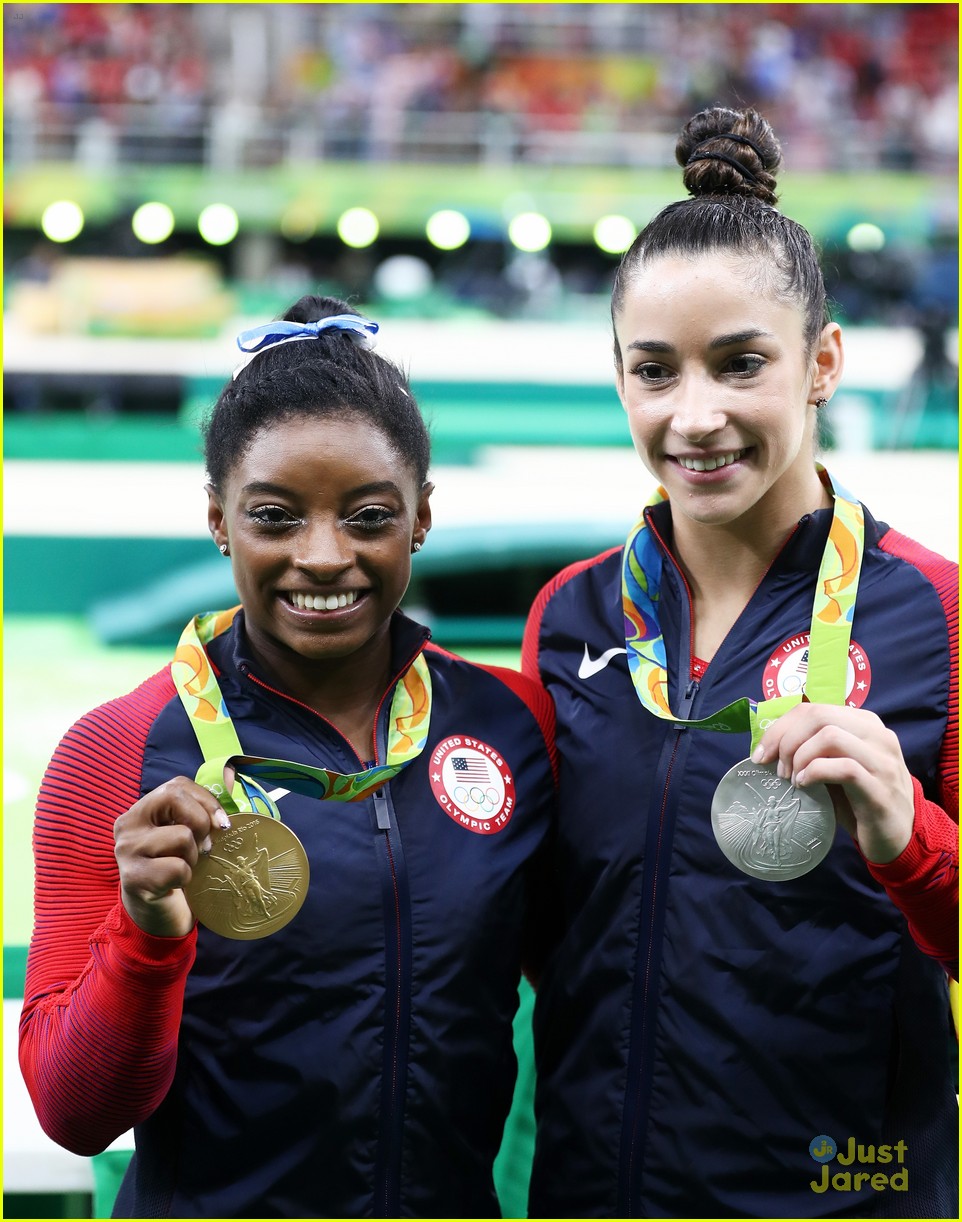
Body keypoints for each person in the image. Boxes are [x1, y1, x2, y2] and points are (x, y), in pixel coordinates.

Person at [19, 295, 556, 1218]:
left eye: (368, 516)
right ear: (219, 520)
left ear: (422, 517)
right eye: (274, 516)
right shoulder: (118, 749)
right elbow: (74, 1114)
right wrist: (148, 938)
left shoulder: (509, 726)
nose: (322, 555)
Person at [522, 107, 958, 1218]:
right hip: (596, 1193)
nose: (694, 415)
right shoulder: (567, 619)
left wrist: (910, 835)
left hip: (849, 1195)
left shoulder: (936, 617)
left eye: (739, 364)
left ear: (820, 363)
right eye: (654, 372)